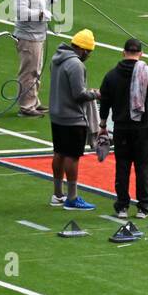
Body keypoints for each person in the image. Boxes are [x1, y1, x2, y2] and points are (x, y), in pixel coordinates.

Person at [98, 39, 148, 220]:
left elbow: (104, 103)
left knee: (122, 168)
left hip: (121, 129)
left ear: (123, 53)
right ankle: (143, 208)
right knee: (143, 168)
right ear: (141, 54)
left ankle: (122, 206)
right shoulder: (147, 73)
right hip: (141, 130)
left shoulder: (111, 75)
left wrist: (103, 126)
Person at [48, 29, 101, 210]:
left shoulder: (57, 59)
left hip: (56, 114)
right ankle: (72, 197)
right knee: (72, 156)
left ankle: (57, 194)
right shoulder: (76, 65)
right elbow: (78, 95)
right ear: (84, 50)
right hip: (72, 117)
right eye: (89, 52)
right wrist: (94, 94)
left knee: (59, 153)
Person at [11, 0, 53, 118]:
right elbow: (21, 12)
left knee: (36, 70)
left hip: (37, 35)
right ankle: (26, 106)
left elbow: (36, 5)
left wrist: (48, 2)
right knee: (28, 71)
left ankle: (33, 101)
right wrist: (41, 15)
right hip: (28, 37)